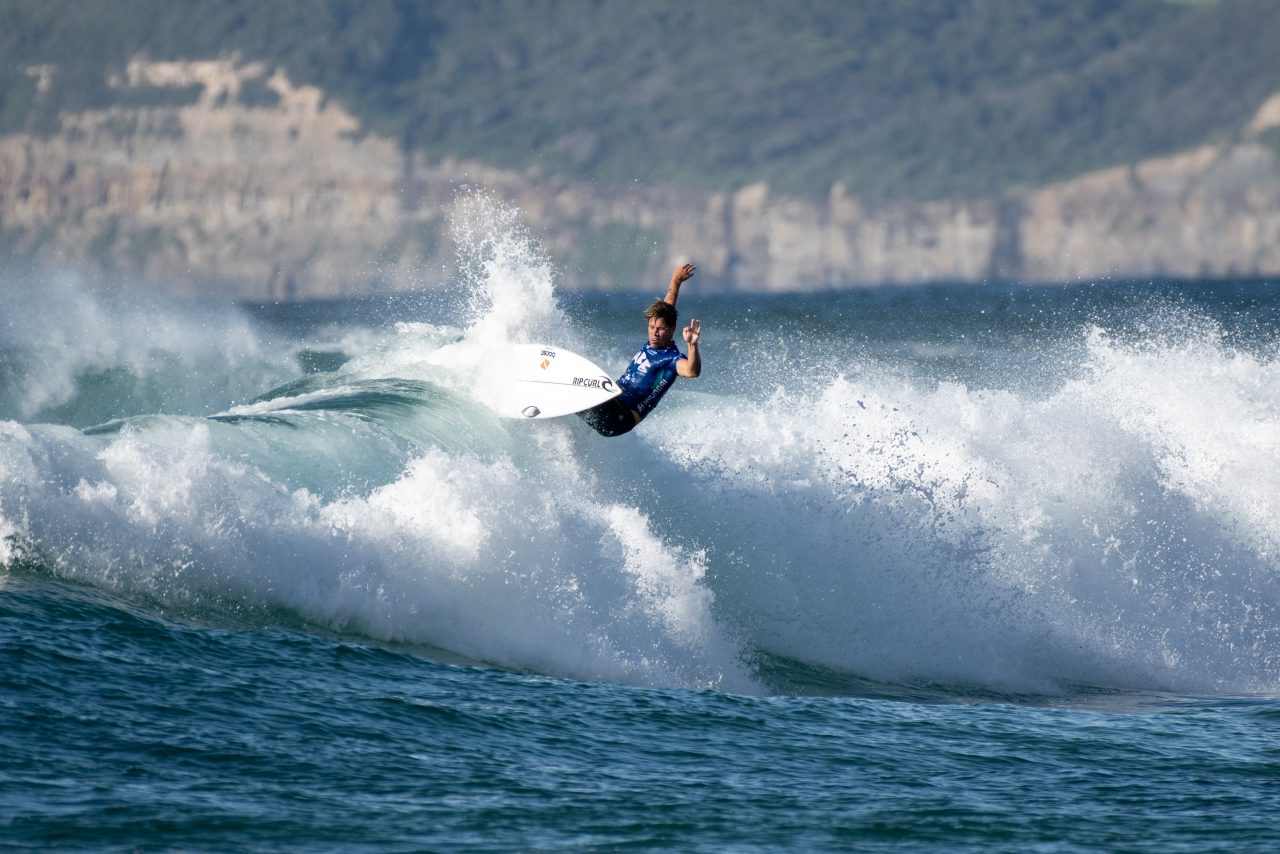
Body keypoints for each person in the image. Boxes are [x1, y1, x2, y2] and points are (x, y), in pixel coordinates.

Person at [579, 263, 702, 437]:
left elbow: (692, 371)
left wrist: (692, 345)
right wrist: (676, 281)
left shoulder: (671, 360)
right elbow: (667, 309)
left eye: (660, 329)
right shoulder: (654, 341)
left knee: (588, 388)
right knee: (577, 398)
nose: (654, 333)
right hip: (610, 407)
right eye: (651, 327)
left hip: (621, 417)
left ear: (672, 328)